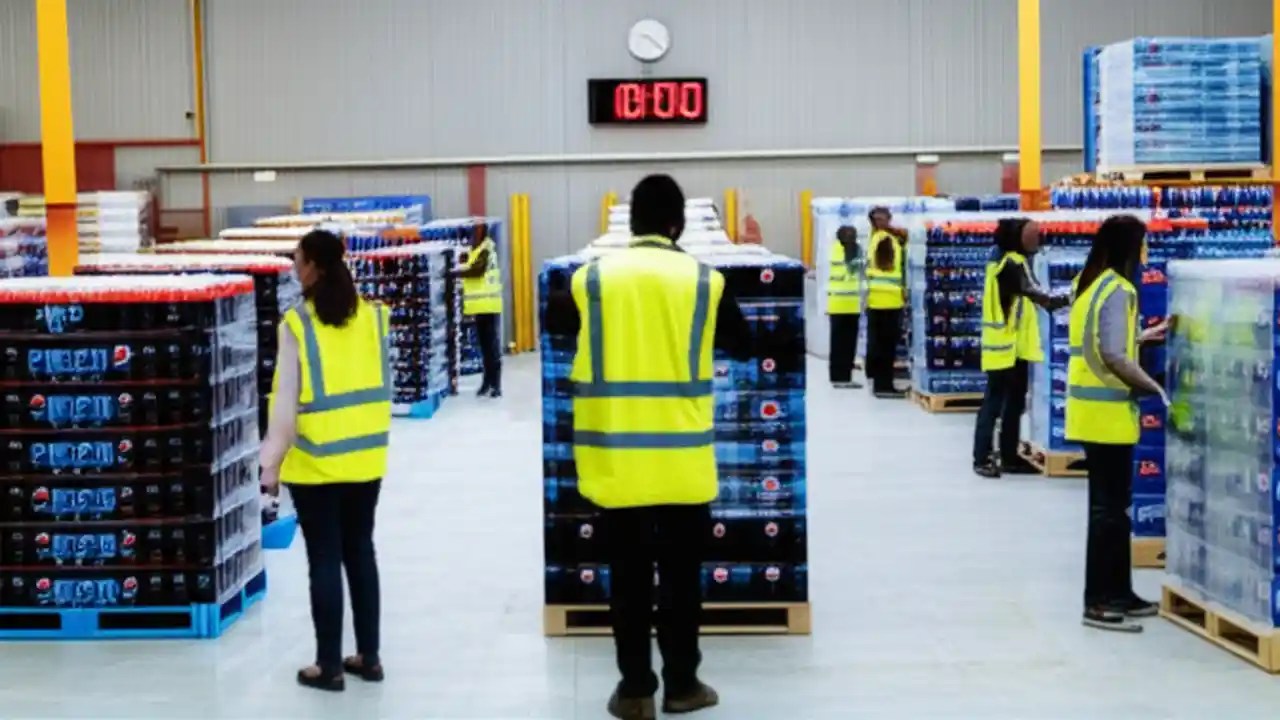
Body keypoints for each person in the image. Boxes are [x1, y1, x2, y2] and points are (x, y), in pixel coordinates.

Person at [543, 175, 786, 720]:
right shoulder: (706, 282)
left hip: (616, 464)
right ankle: (683, 684)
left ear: (632, 224)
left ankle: (634, 691)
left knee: (627, 579)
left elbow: (556, 322)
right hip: (683, 462)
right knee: (680, 580)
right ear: (678, 224)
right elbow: (745, 346)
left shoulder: (592, 281)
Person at [260, 229, 391, 690]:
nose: (294, 266)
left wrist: (270, 466)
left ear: (313, 264)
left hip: (317, 463)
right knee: (361, 552)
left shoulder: (297, 324)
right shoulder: (375, 317)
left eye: (297, 259)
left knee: (324, 559)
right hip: (367, 460)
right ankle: (369, 657)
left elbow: (284, 405)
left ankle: (329, 666)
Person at [1064, 215, 1168, 632]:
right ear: (1130, 247)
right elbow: (1113, 357)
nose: (1146, 255)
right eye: (1143, 246)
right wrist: (1155, 389)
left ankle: (1120, 590)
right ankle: (1100, 601)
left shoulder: (1089, 285)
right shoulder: (1120, 290)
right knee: (1108, 514)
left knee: (1113, 512)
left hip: (1091, 416)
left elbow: (1108, 343)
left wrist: (1146, 336)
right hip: (1107, 419)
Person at [972, 218, 1068, 477]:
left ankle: (1009, 455)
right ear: (1017, 237)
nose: (1038, 238)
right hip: (1005, 346)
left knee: (1012, 402)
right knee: (995, 403)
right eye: (1032, 234)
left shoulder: (1000, 260)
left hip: (1010, 345)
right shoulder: (1013, 263)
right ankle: (981, 458)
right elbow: (1041, 298)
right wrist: (1074, 295)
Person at [863, 206, 908, 397]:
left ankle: (879, 382)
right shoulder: (885, 240)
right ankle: (884, 386)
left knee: (878, 344)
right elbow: (888, 265)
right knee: (886, 347)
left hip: (876, 300)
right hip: (889, 301)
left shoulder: (874, 238)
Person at [459, 223, 504, 397]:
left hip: (489, 306)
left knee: (492, 347)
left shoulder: (487, 249)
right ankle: (487, 381)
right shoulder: (476, 249)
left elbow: (477, 271)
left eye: (476, 230)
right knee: (484, 347)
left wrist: (456, 273)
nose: (473, 234)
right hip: (479, 306)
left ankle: (496, 385)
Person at [827, 225, 863, 388]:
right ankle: (844, 378)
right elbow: (860, 269)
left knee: (837, 343)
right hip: (850, 304)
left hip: (836, 304)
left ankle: (837, 376)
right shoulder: (853, 251)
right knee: (847, 344)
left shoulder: (834, 249)